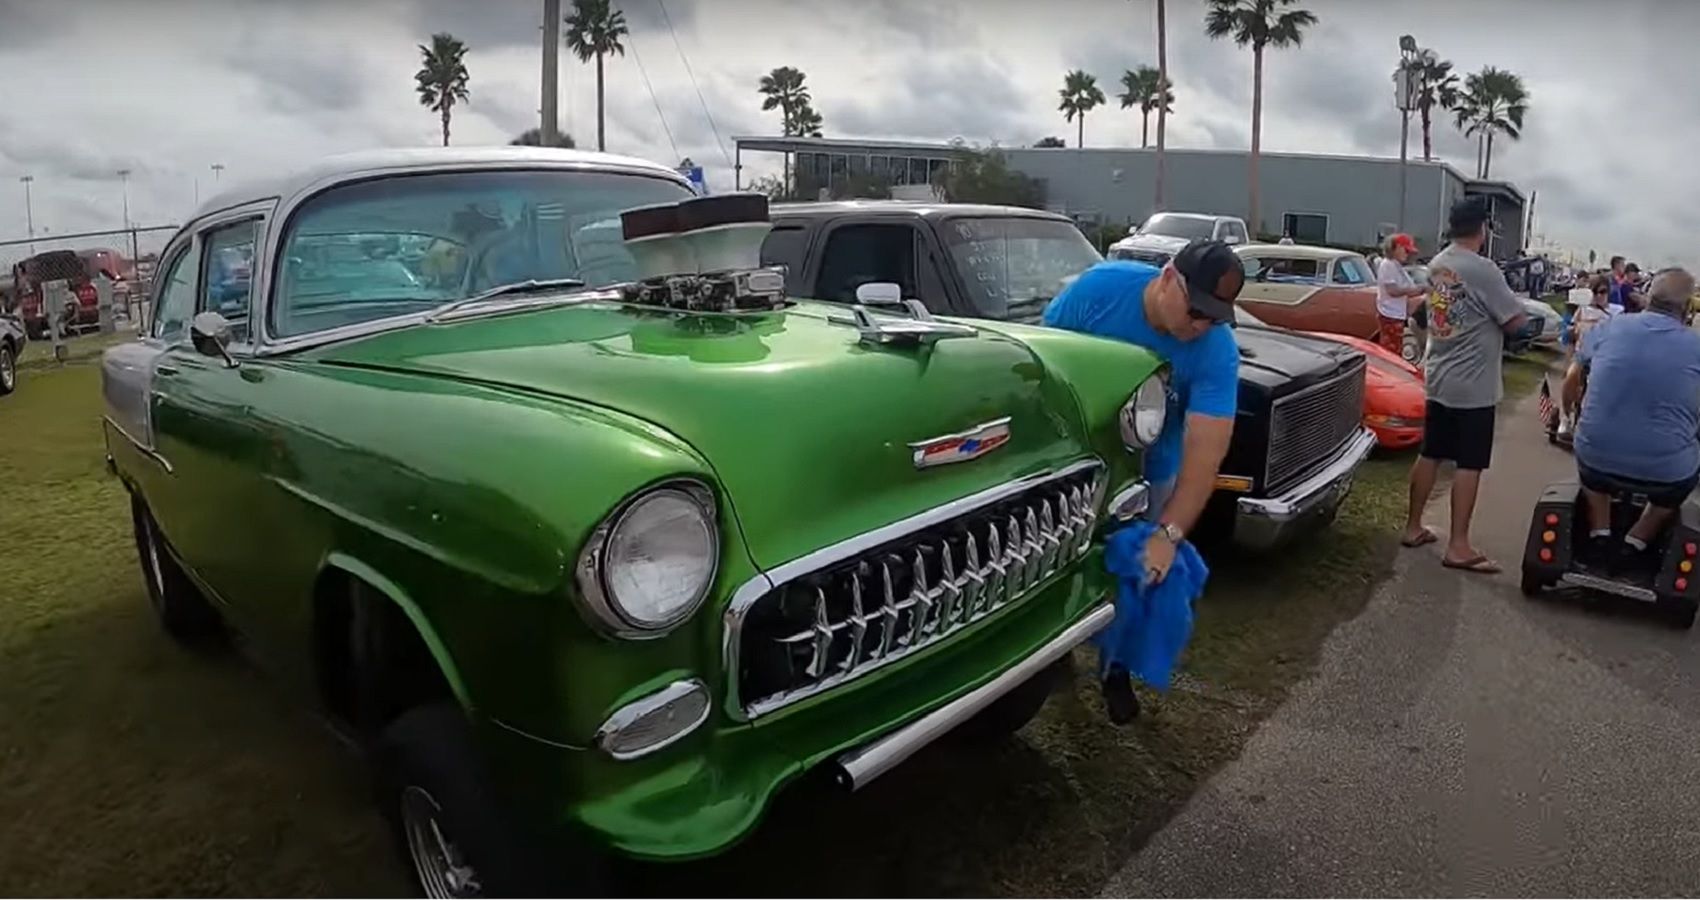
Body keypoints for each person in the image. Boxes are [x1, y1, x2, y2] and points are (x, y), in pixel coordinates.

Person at [1043, 240, 1242, 722]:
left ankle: (1117, 668)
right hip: (1079, 464)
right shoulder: (1099, 291)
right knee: (1058, 564)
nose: (1201, 326)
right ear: (1169, 277)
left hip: (1154, 470)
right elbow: (1041, 368)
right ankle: (1052, 651)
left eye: (1215, 317)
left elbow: (1205, 456)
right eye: (1196, 310)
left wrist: (1168, 535)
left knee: (1140, 576)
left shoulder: (1216, 353)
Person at [1400, 197, 1528, 573]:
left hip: (1439, 374)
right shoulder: (1483, 269)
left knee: (1431, 452)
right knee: (1469, 463)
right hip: (1473, 383)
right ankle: (1458, 546)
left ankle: (1413, 527)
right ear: (1482, 229)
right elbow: (1515, 321)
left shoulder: (1439, 263)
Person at [1562, 268, 1700, 571]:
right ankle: (1636, 540)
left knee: (1591, 470)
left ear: (1647, 297)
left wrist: (1569, 419)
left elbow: (1573, 377)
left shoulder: (1610, 328)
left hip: (1598, 454)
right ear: (1687, 307)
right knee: (1681, 482)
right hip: (1666, 471)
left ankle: (1600, 532)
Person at [1557, 275, 1616, 436]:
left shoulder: (1616, 313)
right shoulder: (1582, 311)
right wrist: (1569, 357)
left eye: (1602, 292)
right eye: (1594, 292)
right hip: (1582, 355)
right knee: (1571, 375)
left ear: (1608, 293)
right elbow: (1569, 337)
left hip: (1605, 358)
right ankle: (1565, 417)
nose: (1598, 296)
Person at [1375, 233, 1426, 356]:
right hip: (1390, 314)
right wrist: (1417, 290)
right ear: (1396, 247)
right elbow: (1393, 291)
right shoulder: (1388, 265)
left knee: (1396, 349)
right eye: (1405, 250)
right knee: (1390, 352)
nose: (1407, 254)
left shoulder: (1396, 266)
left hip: (1397, 314)